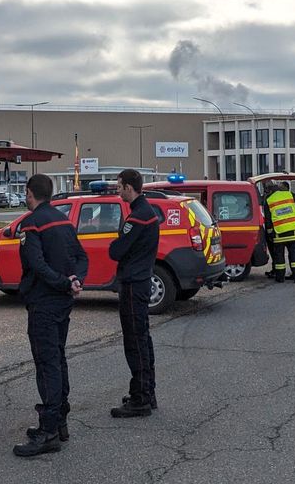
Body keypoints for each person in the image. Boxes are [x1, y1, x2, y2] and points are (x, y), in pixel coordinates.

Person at [13, 174, 88, 458]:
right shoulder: (64, 220)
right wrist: (76, 279)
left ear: (30, 192)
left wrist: (64, 282)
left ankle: (49, 431)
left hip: (44, 302)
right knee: (58, 359)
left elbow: (36, 264)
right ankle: (60, 422)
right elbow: (82, 257)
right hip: (62, 302)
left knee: (47, 365)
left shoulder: (31, 223)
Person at [108, 168, 160, 418]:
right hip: (142, 281)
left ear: (129, 187)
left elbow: (116, 251)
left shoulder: (137, 217)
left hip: (132, 284)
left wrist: (115, 242)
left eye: (119, 187)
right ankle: (147, 391)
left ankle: (140, 399)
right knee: (143, 338)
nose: (118, 191)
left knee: (135, 342)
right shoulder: (147, 211)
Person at [263, 183, 295, 282]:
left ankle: (280, 278)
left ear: (270, 191)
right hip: (293, 230)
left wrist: (269, 233)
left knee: (279, 257)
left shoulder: (269, 200)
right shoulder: (290, 195)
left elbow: (268, 220)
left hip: (279, 232)